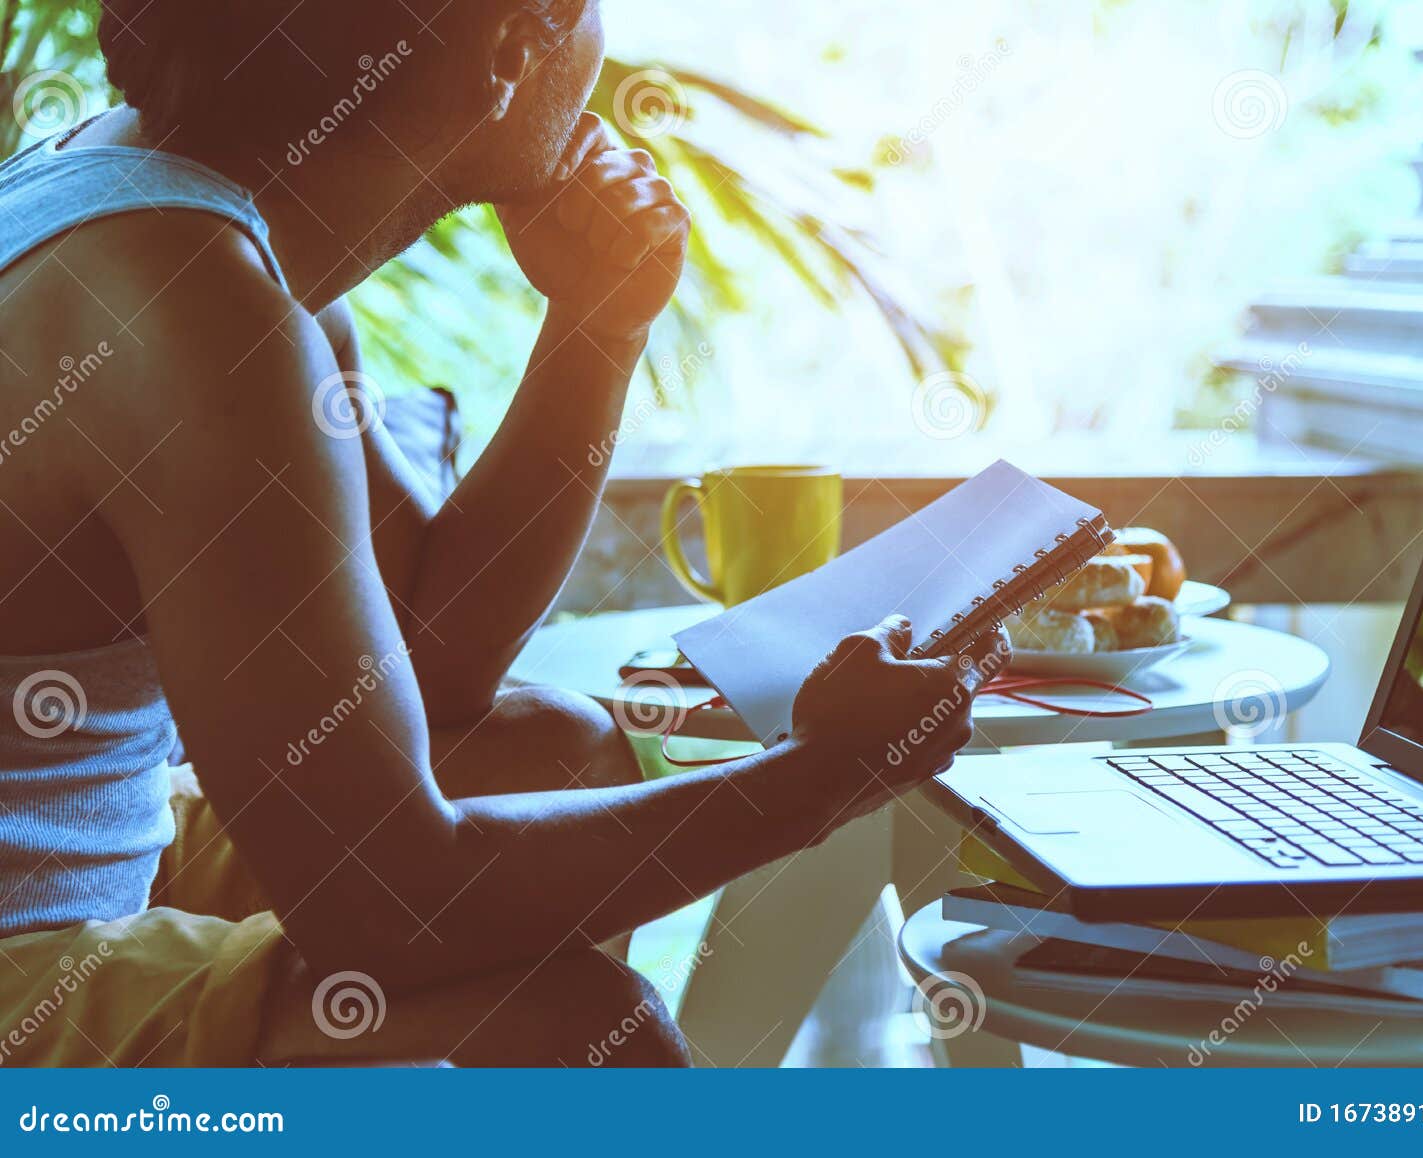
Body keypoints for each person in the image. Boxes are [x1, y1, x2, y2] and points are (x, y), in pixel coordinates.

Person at [0, 0, 1003, 1066]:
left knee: (554, 753)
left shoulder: (163, 205)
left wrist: (597, 324)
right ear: (507, 54)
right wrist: (822, 777)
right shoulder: (195, 306)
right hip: (28, 945)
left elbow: (428, 664)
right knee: (580, 1030)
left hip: (104, 851)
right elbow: (382, 909)